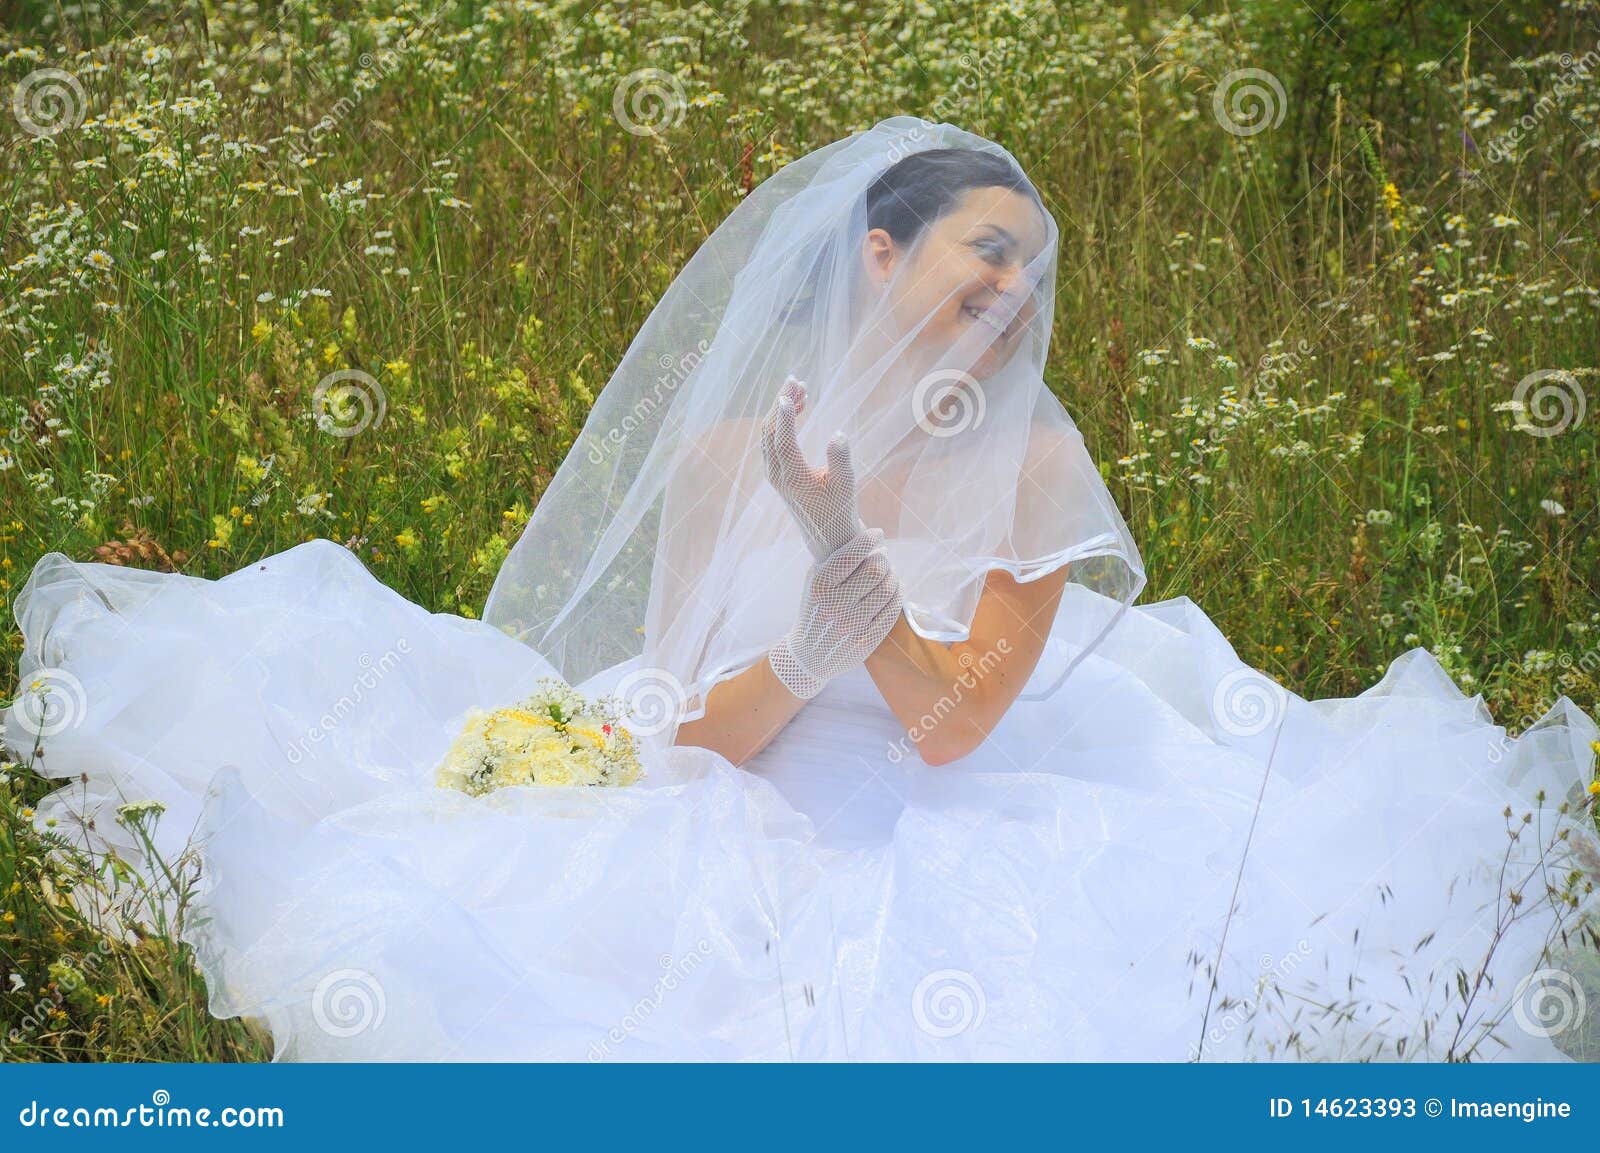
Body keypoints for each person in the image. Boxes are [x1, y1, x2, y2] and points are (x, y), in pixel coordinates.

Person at [9, 119, 1596, 1061]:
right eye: (985, 251)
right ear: (883, 252)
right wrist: (795, 639)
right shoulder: (722, 458)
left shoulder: (1033, 471)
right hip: (749, 798)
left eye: (1033, 272)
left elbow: (958, 728)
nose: (1011, 293)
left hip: (953, 808)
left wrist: (855, 577)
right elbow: (682, 727)